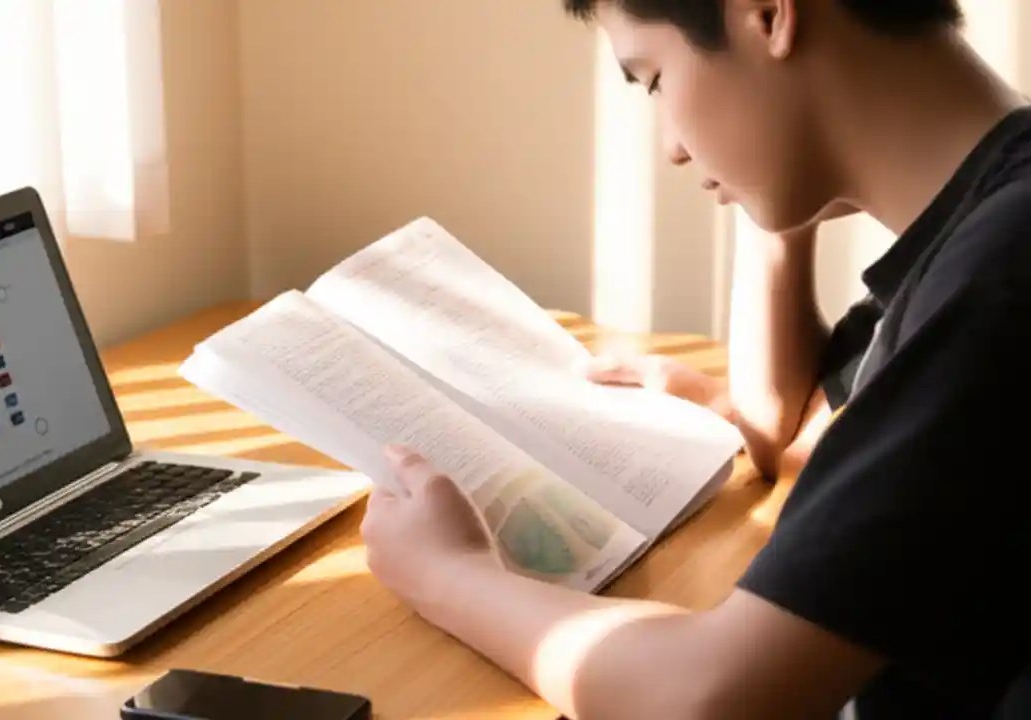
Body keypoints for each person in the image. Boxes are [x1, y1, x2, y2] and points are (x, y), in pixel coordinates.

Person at [359, 1, 1031, 718]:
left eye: (651, 79)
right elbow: (790, 431)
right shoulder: (976, 230)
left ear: (770, 14)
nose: (672, 149)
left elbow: (708, 700)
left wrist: (447, 575)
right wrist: (771, 164)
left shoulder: (1002, 275)